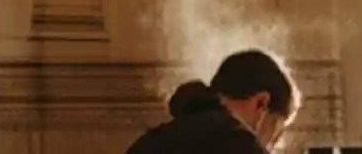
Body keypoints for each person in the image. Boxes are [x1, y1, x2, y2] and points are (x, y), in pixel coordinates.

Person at [128, 49, 301, 154]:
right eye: (275, 136)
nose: (269, 147)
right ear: (261, 104)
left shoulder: (153, 141)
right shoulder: (239, 145)